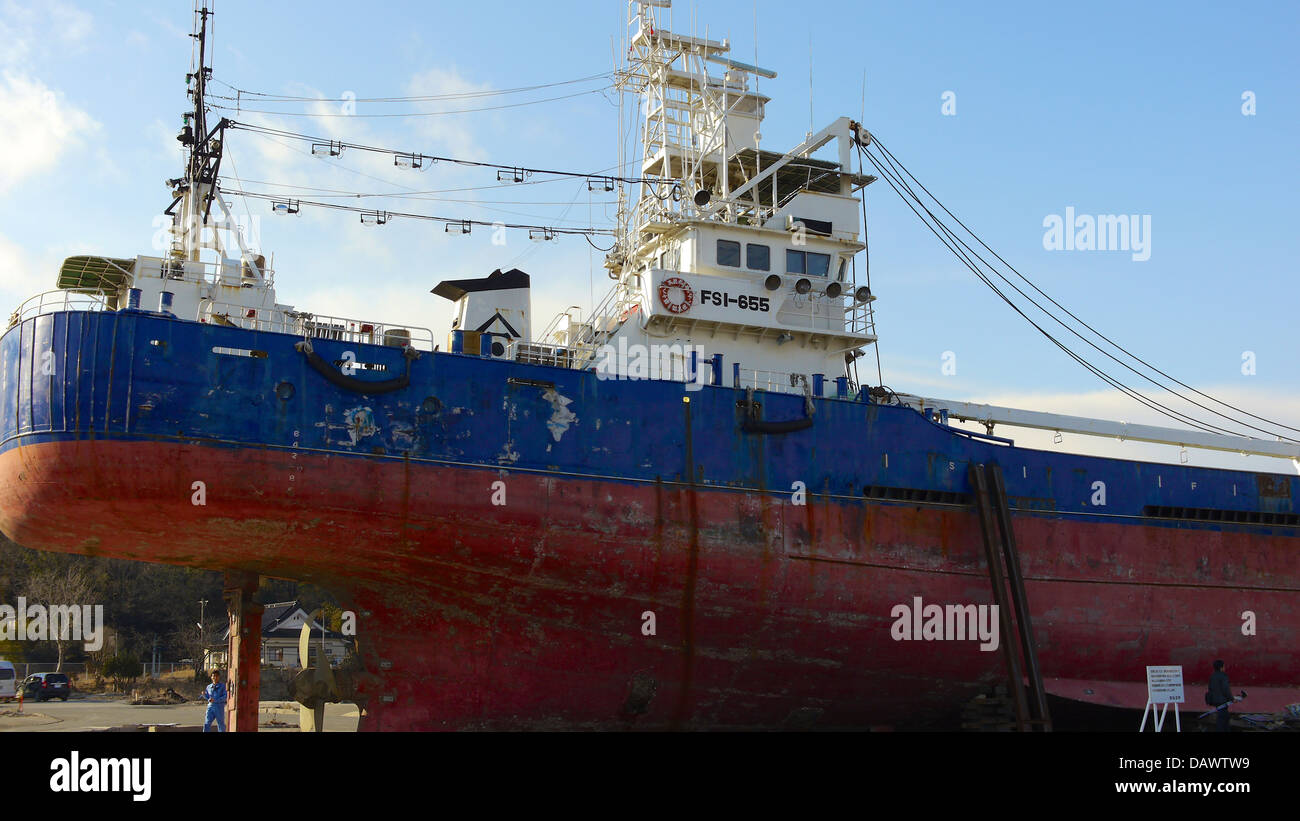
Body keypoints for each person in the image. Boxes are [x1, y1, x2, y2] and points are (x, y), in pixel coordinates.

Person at [1208, 659, 1238, 732]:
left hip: (1215, 701)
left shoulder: (1212, 676)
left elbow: (1210, 689)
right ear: (1221, 668)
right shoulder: (1224, 676)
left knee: (1221, 718)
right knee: (1224, 720)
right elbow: (1226, 690)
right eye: (1224, 666)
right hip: (1223, 702)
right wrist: (1232, 699)